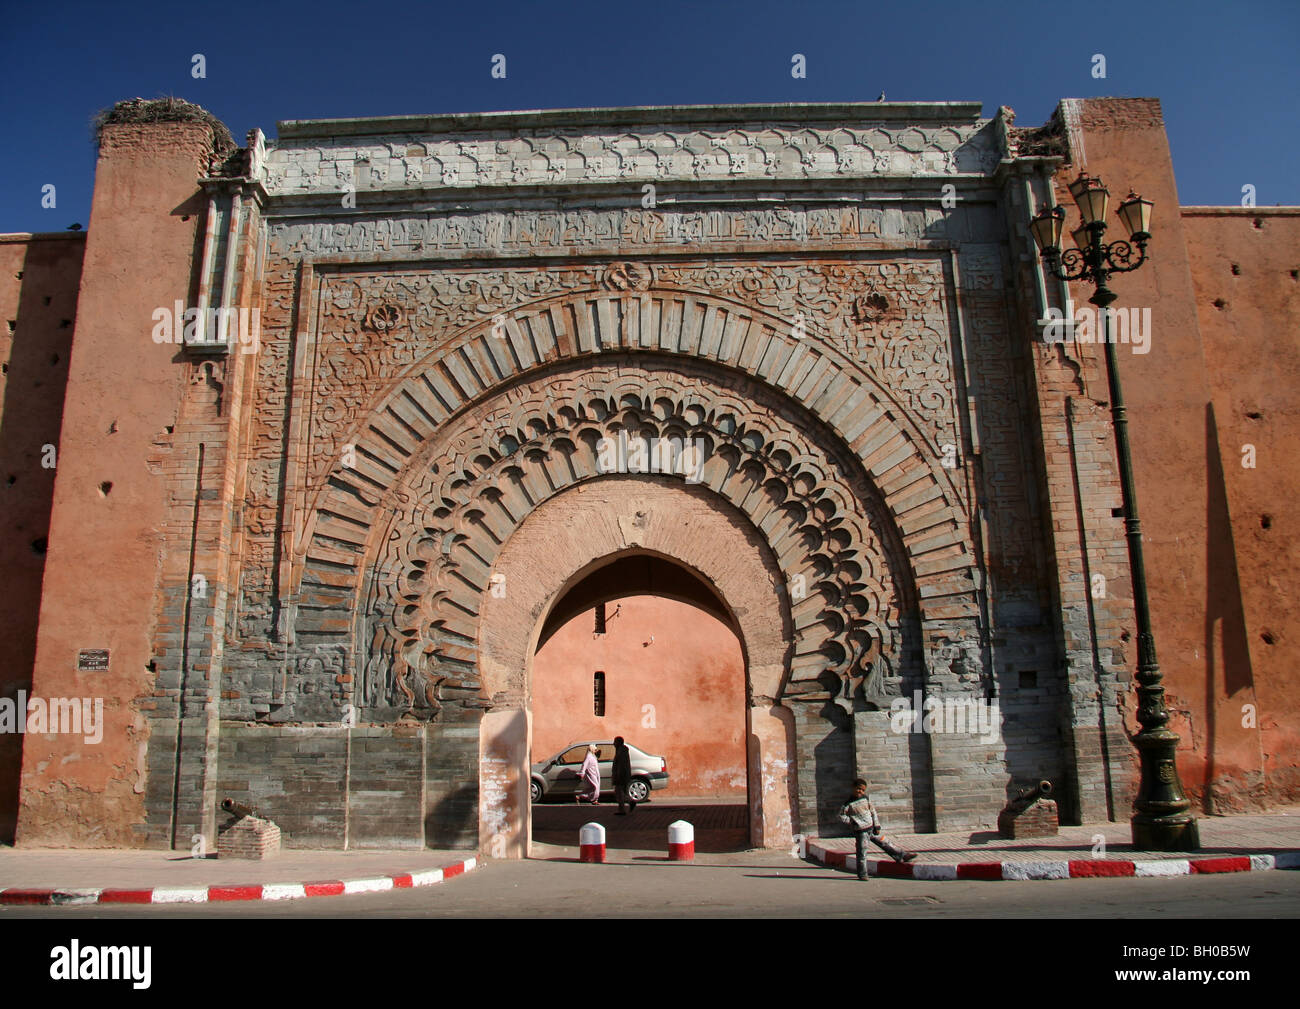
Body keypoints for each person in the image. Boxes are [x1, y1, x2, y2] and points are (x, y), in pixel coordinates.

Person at [838, 778, 916, 880]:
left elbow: (873, 812)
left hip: (872, 828)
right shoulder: (848, 804)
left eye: (862, 790)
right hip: (861, 831)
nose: (860, 791)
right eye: (858, 789)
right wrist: (852, 822)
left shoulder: (865, 799)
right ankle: (862, 874)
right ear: (853, 788)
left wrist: (877, 825)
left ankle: (902, 856)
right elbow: (841, 816)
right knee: (862, 852)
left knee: (885, 842)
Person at [612, 736, 636, 815]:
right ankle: (622, 808)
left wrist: (618, 776)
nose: (614, 744)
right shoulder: (621, 751)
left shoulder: (621, 752)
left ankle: (627, 804)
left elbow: (621, 766)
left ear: (618, 743)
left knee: (619, 793)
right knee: (621, 792)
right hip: (623, 775)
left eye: (615, 742)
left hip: (621, 776)